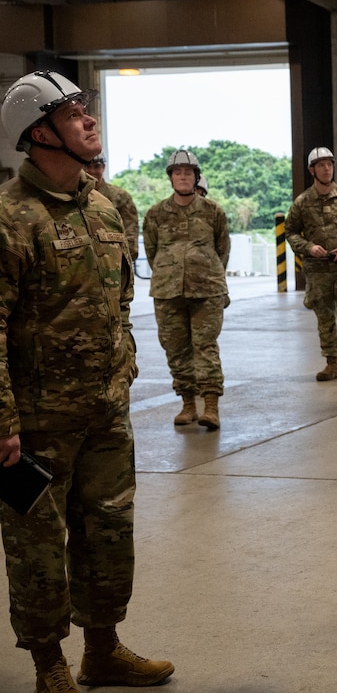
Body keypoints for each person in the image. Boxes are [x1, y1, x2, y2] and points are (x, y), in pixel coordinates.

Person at [0, 70, 174, 692]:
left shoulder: (103, 206)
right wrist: (3, 421)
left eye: (86, 106)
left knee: (109, 529)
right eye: (71, 110)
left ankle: (103, 648)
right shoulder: (11, 216)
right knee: (37, 543)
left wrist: (122, 372)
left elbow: (118, 303)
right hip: (36, 421)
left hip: (104, 408)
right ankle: (50, 665)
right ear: (38, 132)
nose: (88, 118)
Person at [142, 149, 231, 430]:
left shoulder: (213, 211)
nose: (183, 177)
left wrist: (208, 271)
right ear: (171, 177)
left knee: (205, 347)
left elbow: (222, 249)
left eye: (188, 172)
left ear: (196, 177)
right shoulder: (156, 214)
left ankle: (211, 407)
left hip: (207, 290)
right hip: (168, 292)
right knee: (175, 349)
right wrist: (169, 272)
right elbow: (152, 251)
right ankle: (188, 405)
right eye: (178, 172)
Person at [285, 146, 337, 381]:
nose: (327, 168)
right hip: (317, 269)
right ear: (312, 170)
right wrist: (308, 247)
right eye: (321, 165)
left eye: (329, 164)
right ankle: (331, 363)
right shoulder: (302, 202)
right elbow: (290, 232)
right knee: (324, 316)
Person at [84, 155, 139, 261]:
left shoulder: (120, 196)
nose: (92, 171)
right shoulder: (72, 196)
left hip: (114, 260)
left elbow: (130, 231)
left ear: (103, 167)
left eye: (97, 166)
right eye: (87, 166)